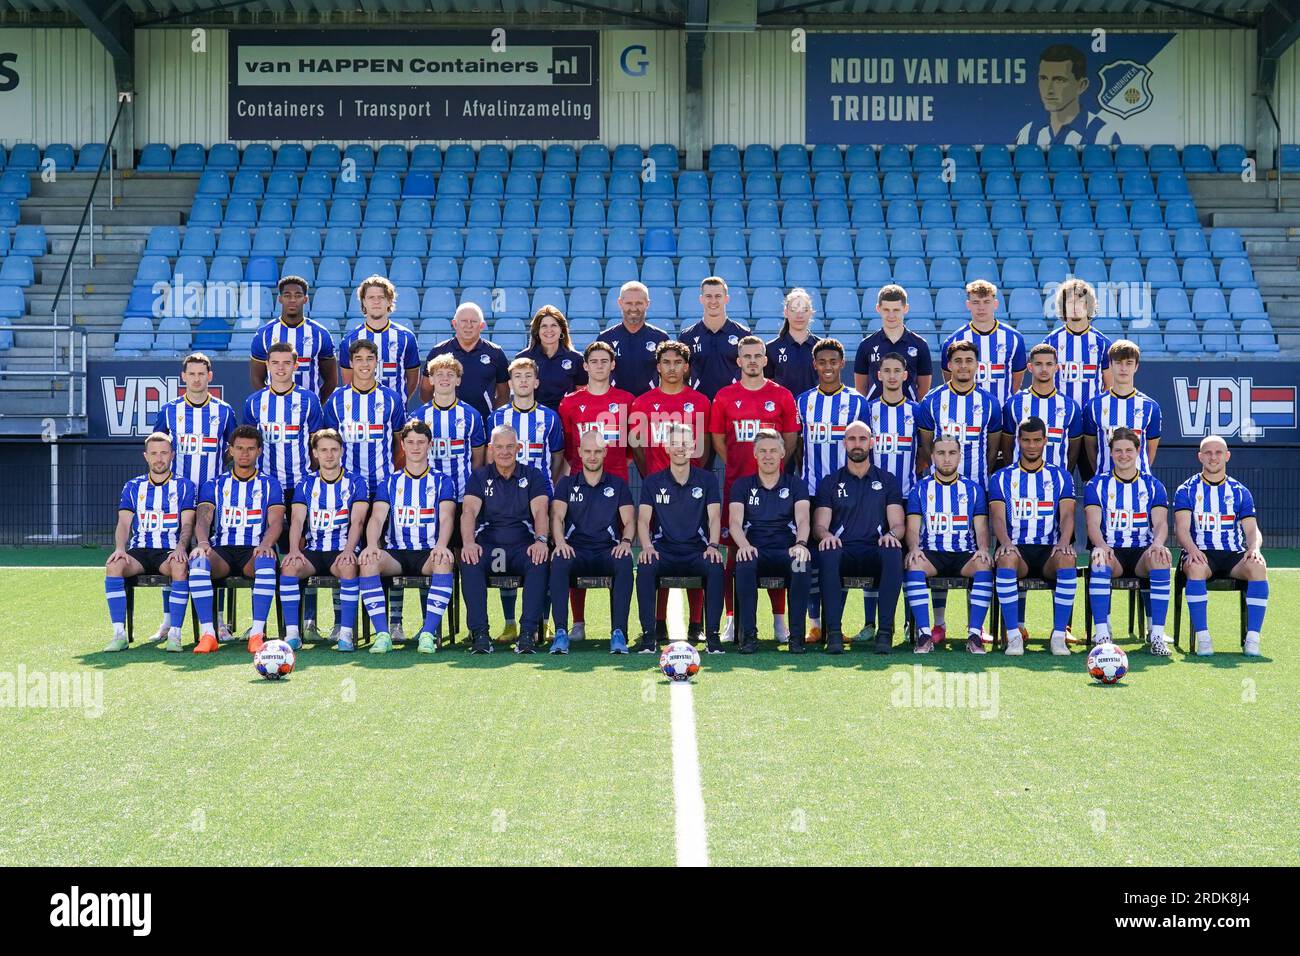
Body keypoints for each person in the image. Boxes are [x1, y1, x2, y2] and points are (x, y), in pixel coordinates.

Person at [709, 335, 799, 643]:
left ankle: (779, 621)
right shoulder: (723, 396)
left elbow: (789, 440)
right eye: (745, 356)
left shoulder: (782, 396)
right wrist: (741, 464)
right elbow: (719, 441)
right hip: (737, 486)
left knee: (777, 547)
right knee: (734, 554)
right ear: (738, 361)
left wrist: (770, 466)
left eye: (757, 355)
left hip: (775, 488)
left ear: (765, 359)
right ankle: (732, 619)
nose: (751, 360)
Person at [151, 351, 237, 641]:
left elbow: (233, 450)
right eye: (192, 373)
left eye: (202, 373)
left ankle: (219, 621)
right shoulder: (169, 411)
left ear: (210, 377)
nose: (197, 378)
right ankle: (167, 622)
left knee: (212, 556)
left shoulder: (224, 411)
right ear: (183, 377)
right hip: (178, 498)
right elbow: (158, 449)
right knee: (172, 552)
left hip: (214, 500)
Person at [628, 341, 711, 641]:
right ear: (658, 366)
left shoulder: (700, 401)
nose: (672, 367)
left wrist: (696, 479)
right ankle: (658, 622)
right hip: (657, 491)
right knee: (656, 553)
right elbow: (637, 447)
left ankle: (697, 625)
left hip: (693, 490)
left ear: (686, 366)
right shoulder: (643, 403)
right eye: (666, 362)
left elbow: (707, 446)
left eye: (678, 362)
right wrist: (652, 476)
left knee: (698, 550)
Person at [556, 340, 635, 641]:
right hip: (580, 482)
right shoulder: (570, 402)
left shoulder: (628, 400)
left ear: (612, 365)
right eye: (594, 361)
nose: (600, 366)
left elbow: (630, 447)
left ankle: (618, 628)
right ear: (585, 366)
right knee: (575, 546)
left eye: (605, 361)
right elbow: (566, 445)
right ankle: (577, 622)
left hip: (615, 484)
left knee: (614, 550)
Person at [357, 420, 458, 655]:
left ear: (429, 445)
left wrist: (442, 545)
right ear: (402, 445)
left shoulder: (442, 481)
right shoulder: (390, 481)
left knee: (444, 559)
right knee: (369, 560)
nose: (415, 447)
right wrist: (372, 545)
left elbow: (447, 517)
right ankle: (383, 634)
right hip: (397, 553)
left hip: (428, 552)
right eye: (410, 442)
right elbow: (377, 518)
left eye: (421, 442)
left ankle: (427, 633)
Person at [794, 338, 869, 642]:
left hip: (846, 492)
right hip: (812, 491)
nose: (827, 367)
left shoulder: (857, 402)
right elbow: (797, 446)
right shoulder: (802, 401)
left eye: (833, 362)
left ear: (842, 364)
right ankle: (815, 624)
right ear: (815, 364)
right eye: (821, 362)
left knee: (841, 554)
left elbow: (862, 446)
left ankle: (835, 622)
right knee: (811, 558)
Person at [188, 425, 285, 655]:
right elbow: (202, 519)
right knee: (199, 563)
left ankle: (256, 635)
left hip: (253, 550)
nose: (245, 453)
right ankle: (209, 635)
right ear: (230, 450)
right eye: (239, 448)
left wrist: (266, 545)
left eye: (250, 448)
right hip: (222, 550)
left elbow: (277, 522)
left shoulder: (270, 484)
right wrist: (202, 544)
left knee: (265, 561)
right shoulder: (215, 484)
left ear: (259, 451)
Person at [488, 356, 565, 640]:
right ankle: (510, 622)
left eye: (527, 376)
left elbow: (557, 458)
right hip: (505, 497)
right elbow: (488, 458)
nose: (522, 381)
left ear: (536, 382)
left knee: (541, 555)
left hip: (539, 498)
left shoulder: (549, 417)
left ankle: (541, 620)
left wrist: (545, 488)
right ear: (510, 384)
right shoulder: (497, 418)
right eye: (517, 376)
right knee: (504, 554)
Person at [812, 421, 905, 655]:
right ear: (844, 443)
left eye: (862, 439)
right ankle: (833, 634)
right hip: (844, 550)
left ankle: (884, 634)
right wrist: (826, 535)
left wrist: (892, 535)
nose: (857, 444)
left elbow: (898, 524)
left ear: (871, 443)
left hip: (875, 549)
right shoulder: (830, 482)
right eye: (852, 439)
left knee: (893, 551)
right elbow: (819, 526)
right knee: (827, 551)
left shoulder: (887, 480)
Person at [988, 417, 1078, 656]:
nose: (1031, 446)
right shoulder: (1001, 477)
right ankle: (1014, 636)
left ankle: (1059, 636)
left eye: (1037, 440)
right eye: (1026, 440)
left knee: (1068, 558)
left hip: (1049, 551)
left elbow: (1068, 515)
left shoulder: (1061, 477)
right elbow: (997, 517)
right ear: (1018, 441)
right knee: (1005, 559)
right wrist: (1006, 543)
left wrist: (1063, 542)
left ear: (1045, 441)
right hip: (1018, 551)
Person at [459, 425, 551, 655]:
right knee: (469, 560)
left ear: (519, 448)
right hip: (489, 545)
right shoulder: (479, 477)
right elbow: (468, 511)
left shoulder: (533, 476)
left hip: (522, 546)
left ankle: (528, 634)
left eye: (510, 446)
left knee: (539, 559)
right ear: (490, 449)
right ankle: (480, 635)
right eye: (499, 447)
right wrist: (469, 543)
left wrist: (540, 540)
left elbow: (541, 511)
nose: (505, 452)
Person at [1174, 436, 1269, 656]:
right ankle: (1204, 638)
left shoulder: (1239, 491)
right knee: (1196, 568)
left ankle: (1252, 639)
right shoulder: (1186, 490)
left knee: (1258, 567)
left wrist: (1254, 549)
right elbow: (1181, 530)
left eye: (1218, 453)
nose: (1213, 457)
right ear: (1200, 457)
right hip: (1201, 554)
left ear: (1227, 456)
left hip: (1233, 554)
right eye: (1208, 453)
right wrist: (1193, 550)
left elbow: (1252, 530)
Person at [636, 423, 726, 654]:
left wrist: (713, 545)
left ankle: (713, 637)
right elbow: (644, 519)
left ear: (694, 447)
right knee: (645, 565)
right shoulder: (653, 481)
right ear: (666, 447)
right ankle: (649, 637)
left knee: (716, 565)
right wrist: (646, 546)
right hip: (663, 551)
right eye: (675, 444)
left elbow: (715, 516)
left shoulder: (706, 480)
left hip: (697, 551)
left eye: (685, 444)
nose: (680, 448)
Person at [102, 434, 197, 653]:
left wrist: (181, 548)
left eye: (164, 453)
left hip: (169, 550)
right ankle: (119, 634)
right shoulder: (133, 486)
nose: (159, 458)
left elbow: (188, 523)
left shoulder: (184, 486)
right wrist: (119, 549)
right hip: (140, 551)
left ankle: (175, 634)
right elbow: (124, 524)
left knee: (180, 566)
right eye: (154, 453)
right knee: (114, 565)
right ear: (146, 457)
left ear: (172, 455)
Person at [278, 429, 369, 651]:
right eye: (324, 450)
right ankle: (292, 635)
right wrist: (293, 551)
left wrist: (349, 550)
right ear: (315, 454)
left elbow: (357, 522)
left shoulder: (356, 482)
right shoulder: (306, 484)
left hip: (342, 548)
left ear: (342, 451)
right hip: (314, 550)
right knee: (289, 567)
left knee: (348, 567)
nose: (329, 455)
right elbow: (297, 521)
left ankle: (346, 635)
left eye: (334, 450)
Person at [1084, 428, 1172, 656]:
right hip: (1113, 551)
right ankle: (1102, 634)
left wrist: (1158, 544)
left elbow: (1161, 523)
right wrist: (1101, 546)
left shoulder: (1153, 486)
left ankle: (1157, 635)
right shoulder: (1096, 485)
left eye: (1128, 450)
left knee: (1161, 559)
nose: (1124, 455)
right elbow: (1093, 524)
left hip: (1142, 552)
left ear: (1138, 451)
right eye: (1118, 450)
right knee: (1100, 560)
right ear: (1111, 453)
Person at [903, 436, 995, 654]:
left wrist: (983, 549)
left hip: (964, 554)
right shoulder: (920, 489)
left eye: (952, 453)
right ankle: (924, 635)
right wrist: (914, 548)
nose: (947, 459)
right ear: (933, 456)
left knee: (983, 564)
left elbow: (981, 528)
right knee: (914, 564)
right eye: (941, 453)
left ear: (960, 456)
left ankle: (974, 635)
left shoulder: (973, 490)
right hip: (932, 554)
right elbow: (913, 528)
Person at [549, 430, 636, 655]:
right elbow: (557, 517)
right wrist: (560, 542)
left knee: (625, 561)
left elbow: (629, 520)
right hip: (576, 551)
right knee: (559, 559)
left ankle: (618, 632)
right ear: (579, 452)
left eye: (597, 451)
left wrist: (625, 542)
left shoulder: (618, 485)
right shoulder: (567, 484)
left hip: (606, 551)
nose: (592, 456)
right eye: (587, 451)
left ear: (605, 452)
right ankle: (560, 632)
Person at [728, 430, 812, 654]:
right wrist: (744, 545)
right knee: (744, 563)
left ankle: (796, 637)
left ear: (783, 453)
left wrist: (801, 544)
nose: (768, 455)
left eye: (773, 450)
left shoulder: (795, 485)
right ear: (754, 455)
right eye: (763, 451)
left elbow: (803, 518)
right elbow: (735, 523)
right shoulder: (742, 486)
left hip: (787, 551)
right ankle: (749, 635)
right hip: (755, 550)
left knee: (801, 563)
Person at [865, 351, 927, 643]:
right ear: (878, 375)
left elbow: (925, 452)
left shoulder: (917, 411)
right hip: (873, 497)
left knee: (909, 558)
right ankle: (869, 622)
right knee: (875, 557)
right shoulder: (867, 410)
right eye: (885, 370)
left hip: (907, 497)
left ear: (905, 375)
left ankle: (909, 623)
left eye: (896, 370)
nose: (891, 375)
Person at [1041, 277, 1113, 464]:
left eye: (1080, 301)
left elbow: (1109, 385)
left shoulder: (1102, 343)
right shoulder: (1050, 343)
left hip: (1092, 424)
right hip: (1059, 421)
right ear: (1062, 306)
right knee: (1058, 477)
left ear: (1089, 305)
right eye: (1070, 302)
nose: (1075, 307)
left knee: (1094, 477)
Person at [916, 340, 1002, 487]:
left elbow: (993, 449)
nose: (963, 366)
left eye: (969, 361)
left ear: (977, 365)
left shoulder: (990, 402)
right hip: (938, 486)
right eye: (958, 361)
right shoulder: (931, 400)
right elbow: (926, 446)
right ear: (949, 365)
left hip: (978, 485)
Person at [939, 279, 1026, 414]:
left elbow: (1017, 377)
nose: (981, 307)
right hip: (966, 411)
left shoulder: (1014, 338)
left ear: (995, 304)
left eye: (986, 302)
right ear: (968, 305)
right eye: (976, 302)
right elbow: (950, 377)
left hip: (1003, 412)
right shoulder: (954, 340)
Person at [410, 354, 487, 502]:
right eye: (439, 374)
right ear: (431, 379)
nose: (445, 378)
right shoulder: (418, 417)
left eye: (450, 374)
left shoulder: (472, 415)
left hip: (463, 495)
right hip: (428, 495)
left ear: (458, 380)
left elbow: (478, 459)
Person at [1016, 43, 1122, 147]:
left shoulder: (1105, 134)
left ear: (1081, 85)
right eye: (1043, 78)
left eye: (1059, 80)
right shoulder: (1027, 133)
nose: (1049, 89)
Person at [249, 275, 338, 399]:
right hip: (276, 413)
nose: (292, 300)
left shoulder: (320, 334)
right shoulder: (263, 334)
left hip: (309, 415)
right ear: (280, 299)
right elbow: (256, 378)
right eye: (287, 295)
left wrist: (314, 405)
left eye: (298, 295)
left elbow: (331, 381)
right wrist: (272, 402)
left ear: (305, 299)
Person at [1082, 339, 1161, 477]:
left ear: (1136, 366)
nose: (1123, 368)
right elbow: (1090, 448)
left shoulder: (1150, 407)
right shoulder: (1094, 406)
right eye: (1118, 363)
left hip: (1140, 485)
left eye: (1129, 363)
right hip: (1104, 482)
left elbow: (1151, 451)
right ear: (1111, 365)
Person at [419, 301, 510, 420]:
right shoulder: (438, 352)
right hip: (447, 422)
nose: (468, 325)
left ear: (482, 326)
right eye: (463, 321)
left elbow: (504, 394)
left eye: (473, 321)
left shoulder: (496, 353)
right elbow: (425, 390)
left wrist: (491, 417)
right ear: (454, 324)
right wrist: (441, 412)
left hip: (483, 423)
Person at [1001, 343, 1082, 472]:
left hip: (1056, 484)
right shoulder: (1013, 404)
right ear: (1030, 367)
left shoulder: (1070, 407)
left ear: (1056, 367)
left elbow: (1073, 451)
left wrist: (1063, 474)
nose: (1044, 369)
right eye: (1038, 364)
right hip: (1019, 482)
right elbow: (1006, 447)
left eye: (1049, 364)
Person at [337, 276, 421, 400]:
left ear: (389, 301)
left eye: (381, 297)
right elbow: (348, 381)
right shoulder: (349, 340)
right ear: (363, 302)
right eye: (371, 297)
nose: (376, 301)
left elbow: (413, 379)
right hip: (362, 413)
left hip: (396, 415)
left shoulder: (406, 337)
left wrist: (398, 402)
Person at [853, 284, 933, 401]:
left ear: (905, 308)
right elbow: (861, 388)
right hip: (874, 416)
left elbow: (923, 389)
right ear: (878, 308)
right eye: (886, 310)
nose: (891, 315)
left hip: (909, 416)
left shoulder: (920, 345)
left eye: (896, 310)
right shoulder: (866, 345)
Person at [595, 280, 671, 398]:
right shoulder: (605, 338)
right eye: (629, 303)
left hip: (650, 405)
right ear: (620, 303)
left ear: (647, 303)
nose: (634, 308)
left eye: (639, 303)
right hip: (614, 406)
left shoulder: (660, 338)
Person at [680, 276, 751, 399]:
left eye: (718, 296)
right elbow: (682, 376)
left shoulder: (743, 335)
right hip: (700, 404)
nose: (713, 301)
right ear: (701, 299)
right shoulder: (687, 336)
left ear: (726, 299)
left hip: (734, 404)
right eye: (708, 296)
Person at [514, 305, 587, 411]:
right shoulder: (523, 358)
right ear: (537, 331)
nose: (549, 330)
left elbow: (581, 394)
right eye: (544, 326)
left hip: (566, 419)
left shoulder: (576, 359)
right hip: (532, 418)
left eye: (554, 325)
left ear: (561, 329)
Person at [764, 288, 822, 400]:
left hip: (815, 412)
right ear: (786, 312)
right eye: (794, 310)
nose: (799, 315)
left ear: (811, 313)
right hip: (781, 412)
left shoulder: (822, 347)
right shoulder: (771, 348)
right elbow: (766, 386)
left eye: (804, 310)